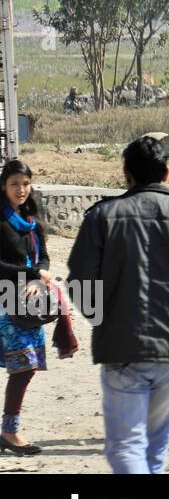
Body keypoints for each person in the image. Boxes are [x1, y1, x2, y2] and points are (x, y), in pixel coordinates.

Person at [67, 136, 169, 474]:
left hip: (123, 349)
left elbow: (81, 284)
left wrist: (102, 319)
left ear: (126, 174)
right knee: (155, 449)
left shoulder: (101, 217)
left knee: (127, 448)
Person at [0, 161, 77, 456]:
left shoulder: (31, 219)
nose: (21, 190)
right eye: (14, 184)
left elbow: (43, 257)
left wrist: (40, 274)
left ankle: (9, 430)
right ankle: (9, 432)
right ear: (4, 187)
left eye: (25, 183)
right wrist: (30, 275)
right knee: (23, 368)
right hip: (7, 302)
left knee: (26, 369)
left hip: (31, 304)